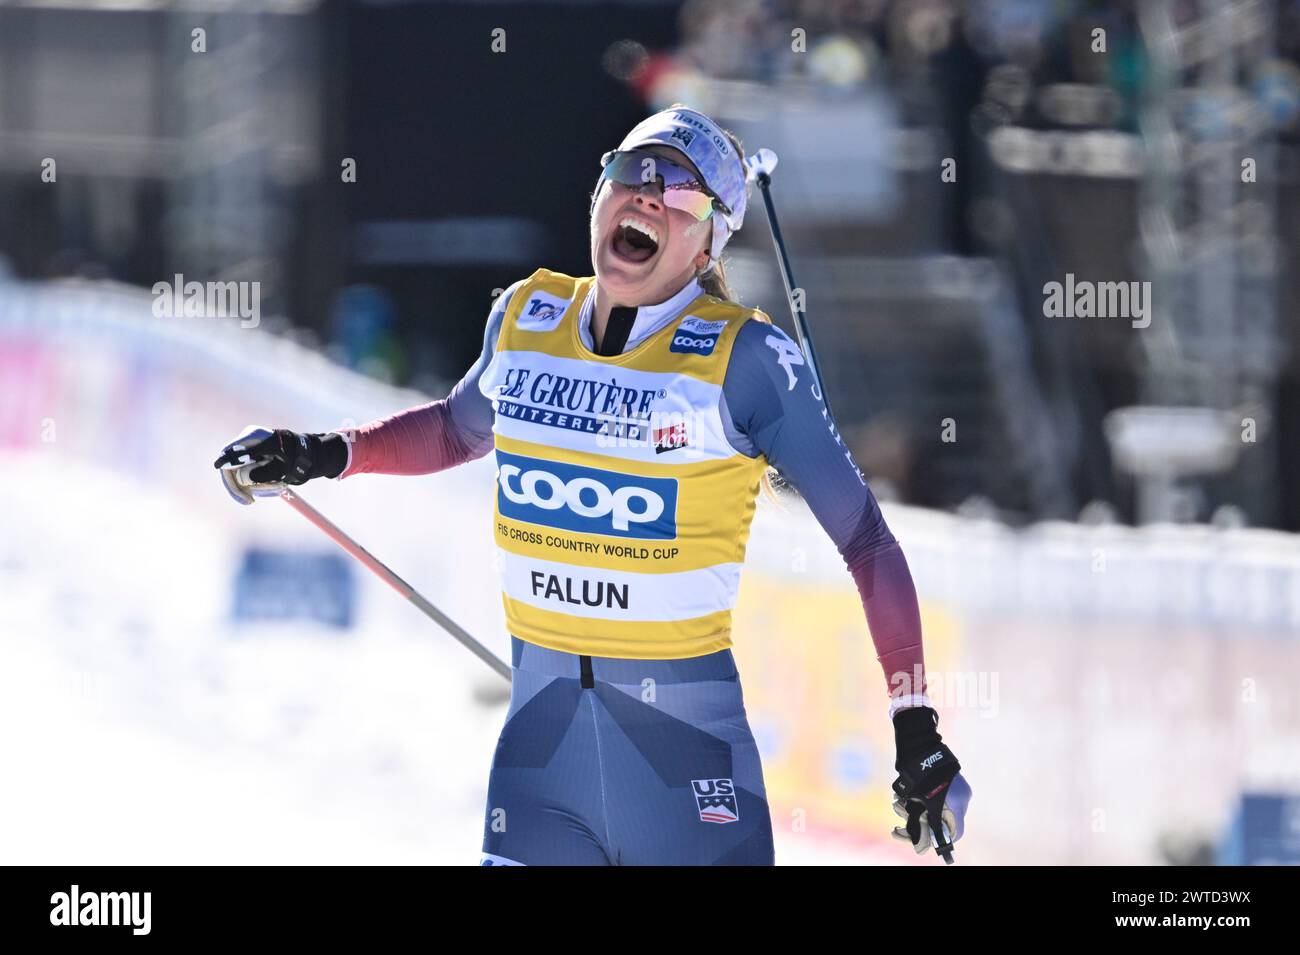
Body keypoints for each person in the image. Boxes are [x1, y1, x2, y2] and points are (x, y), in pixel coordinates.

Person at [213, 105, 970, 866]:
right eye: (629, 174)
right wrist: (320, 452)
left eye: (678, 188)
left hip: (687, 763)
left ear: (709, 237)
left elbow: (866, 540)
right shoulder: (526, 318)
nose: (646, 195)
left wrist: (916, 727)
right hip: (542, 765)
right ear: (598, 197)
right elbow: (454, 429)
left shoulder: (746, 359)